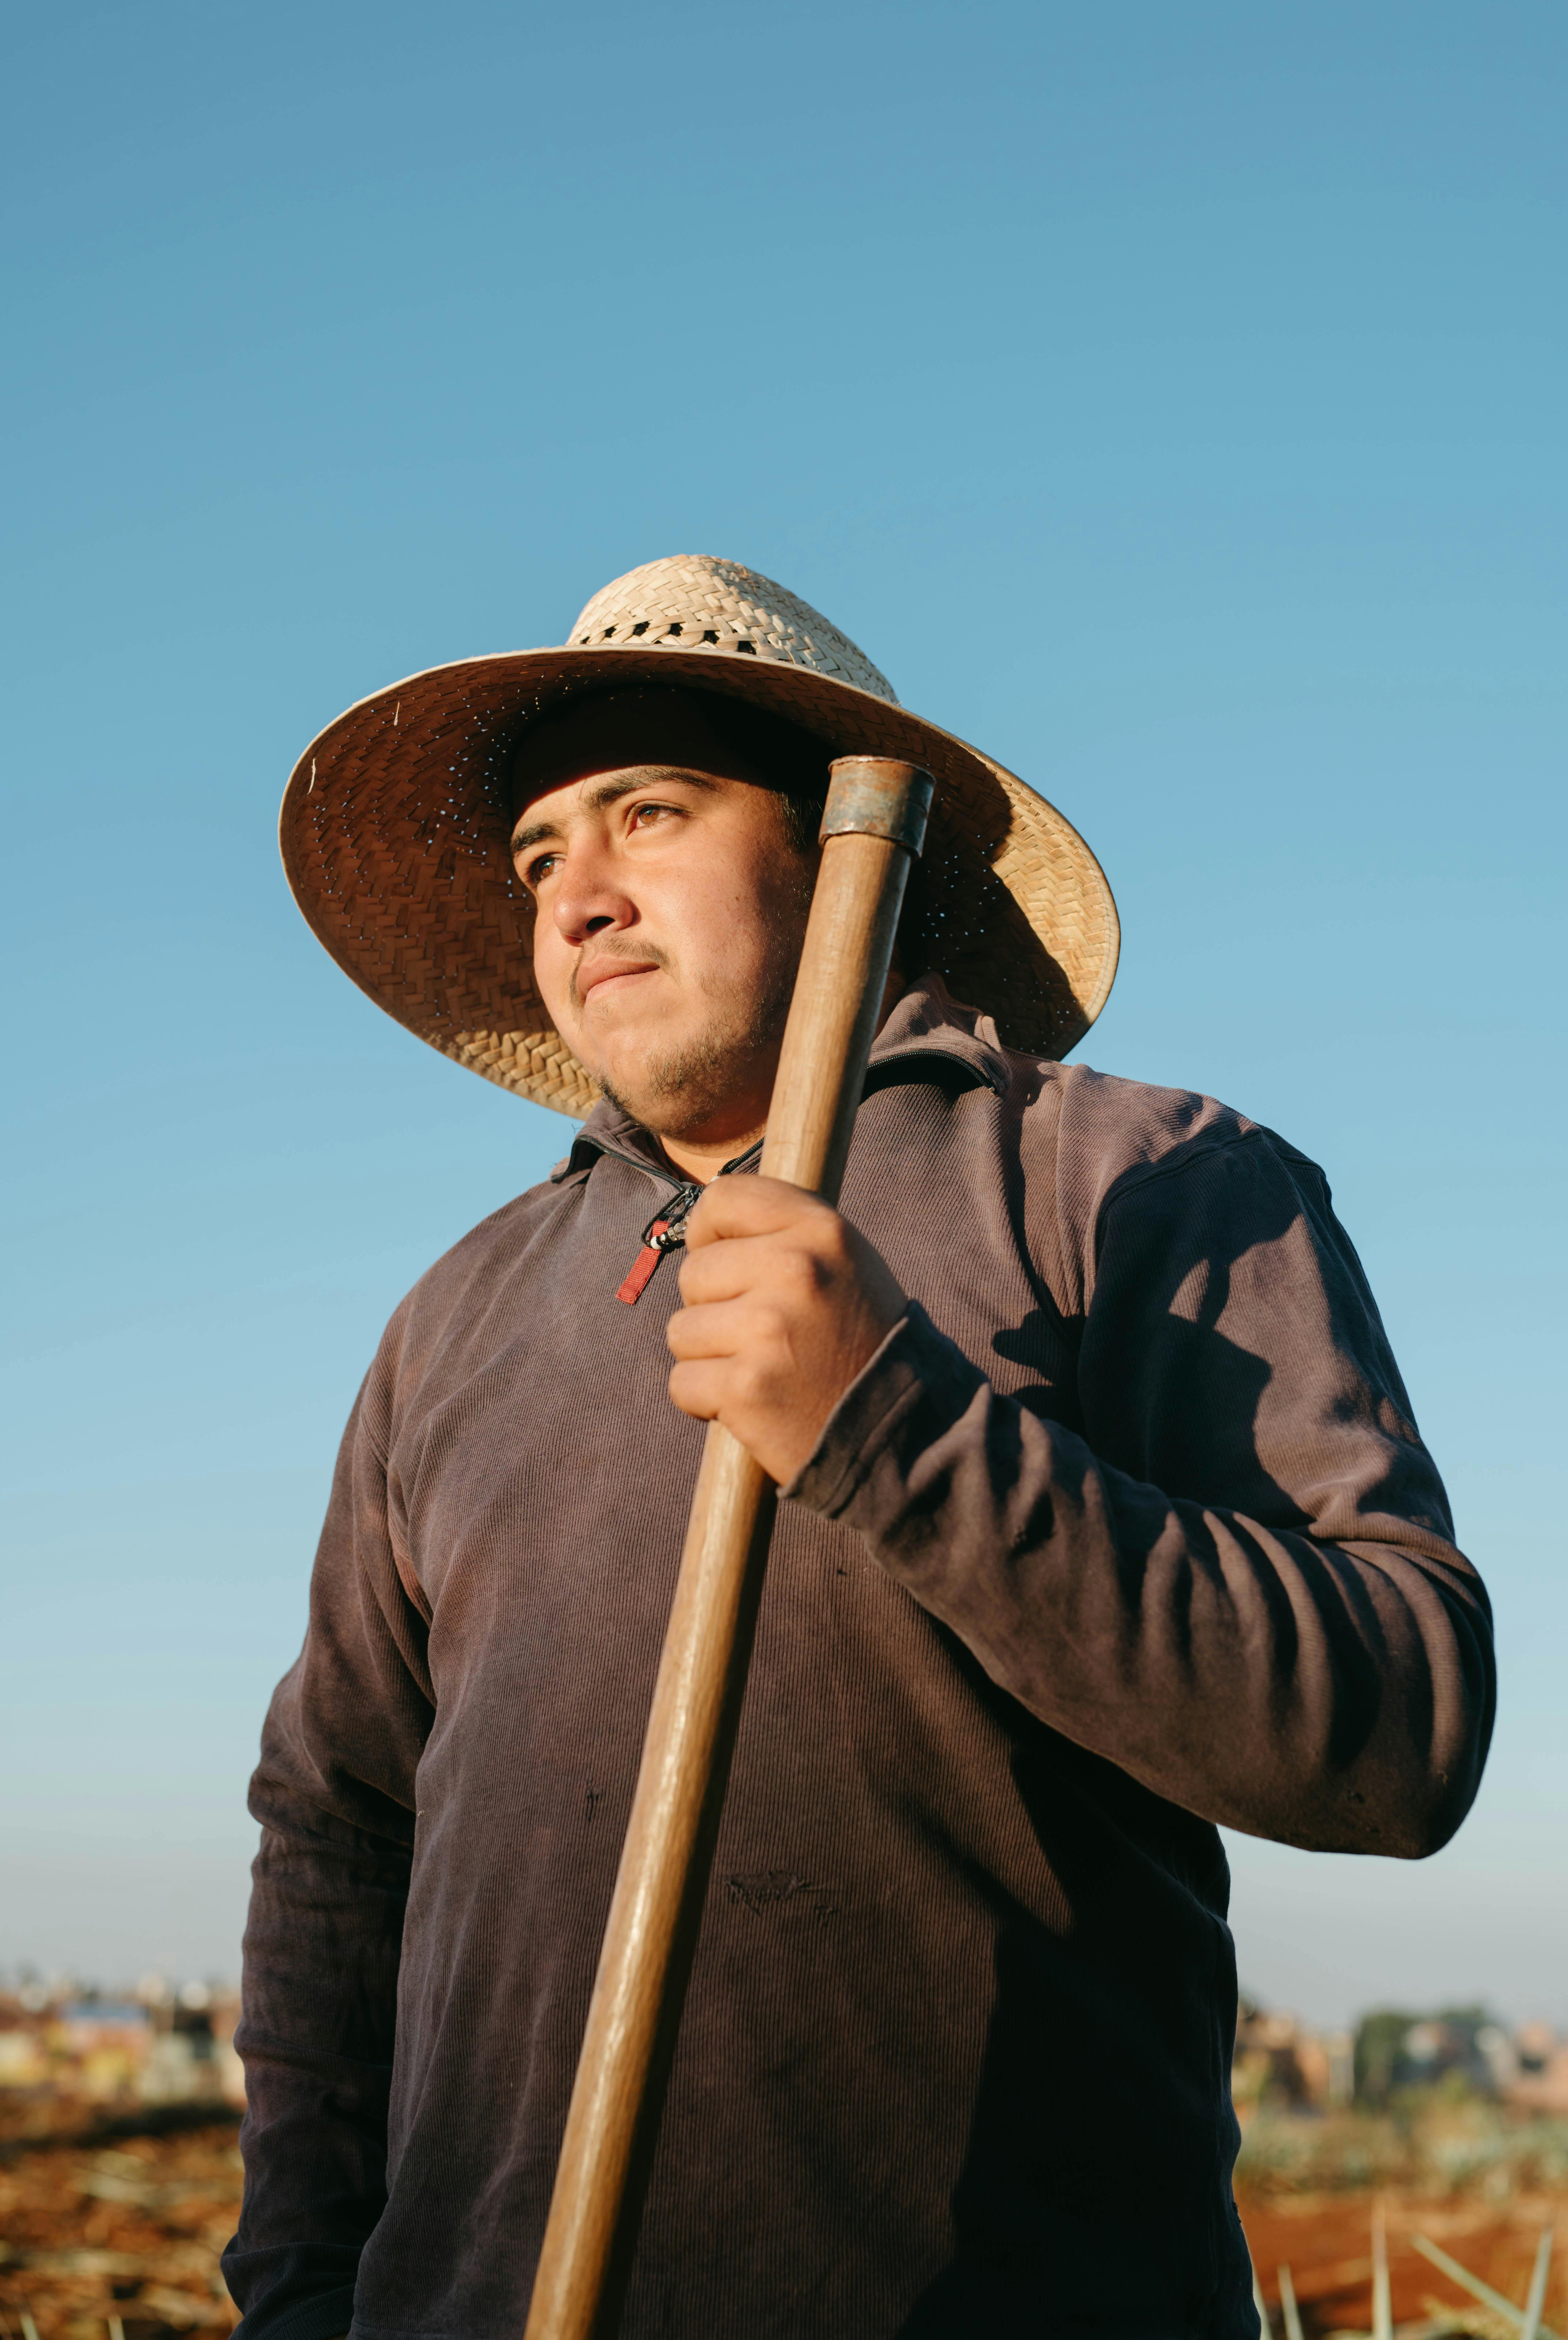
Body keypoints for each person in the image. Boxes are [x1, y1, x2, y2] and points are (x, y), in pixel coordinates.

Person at [225, 555, 1494, 2340]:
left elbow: (1400, 1724)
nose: (575, 896)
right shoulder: (458, 1315)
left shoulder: (1131, 1186)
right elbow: (336, 1836)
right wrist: (296, 2300)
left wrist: (887, 1426)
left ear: (844, 854)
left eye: (645, 812)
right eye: (535, 860)